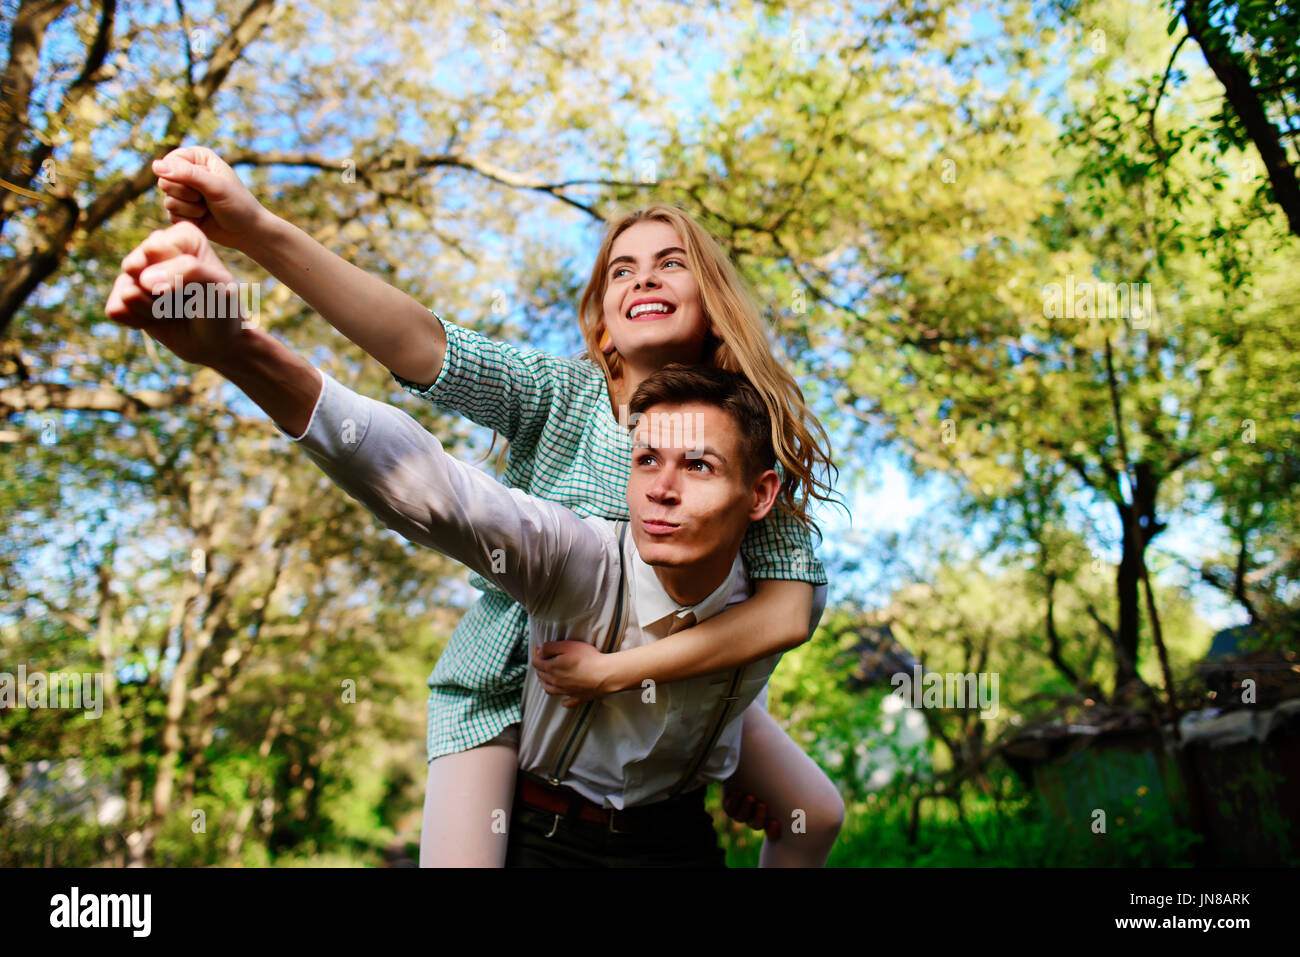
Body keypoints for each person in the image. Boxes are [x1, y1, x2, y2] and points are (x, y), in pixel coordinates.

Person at [132, 149, 846, 865]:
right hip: (518, 683)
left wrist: (674, 715)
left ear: (714, 306)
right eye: (621, 270)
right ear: (601, 323)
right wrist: (257, 229)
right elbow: (420, 346)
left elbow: (783, 612)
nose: (644, 278)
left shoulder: (745, 439)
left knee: (812, 808)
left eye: (670, 263)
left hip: (670, 674)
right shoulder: (559, 396)